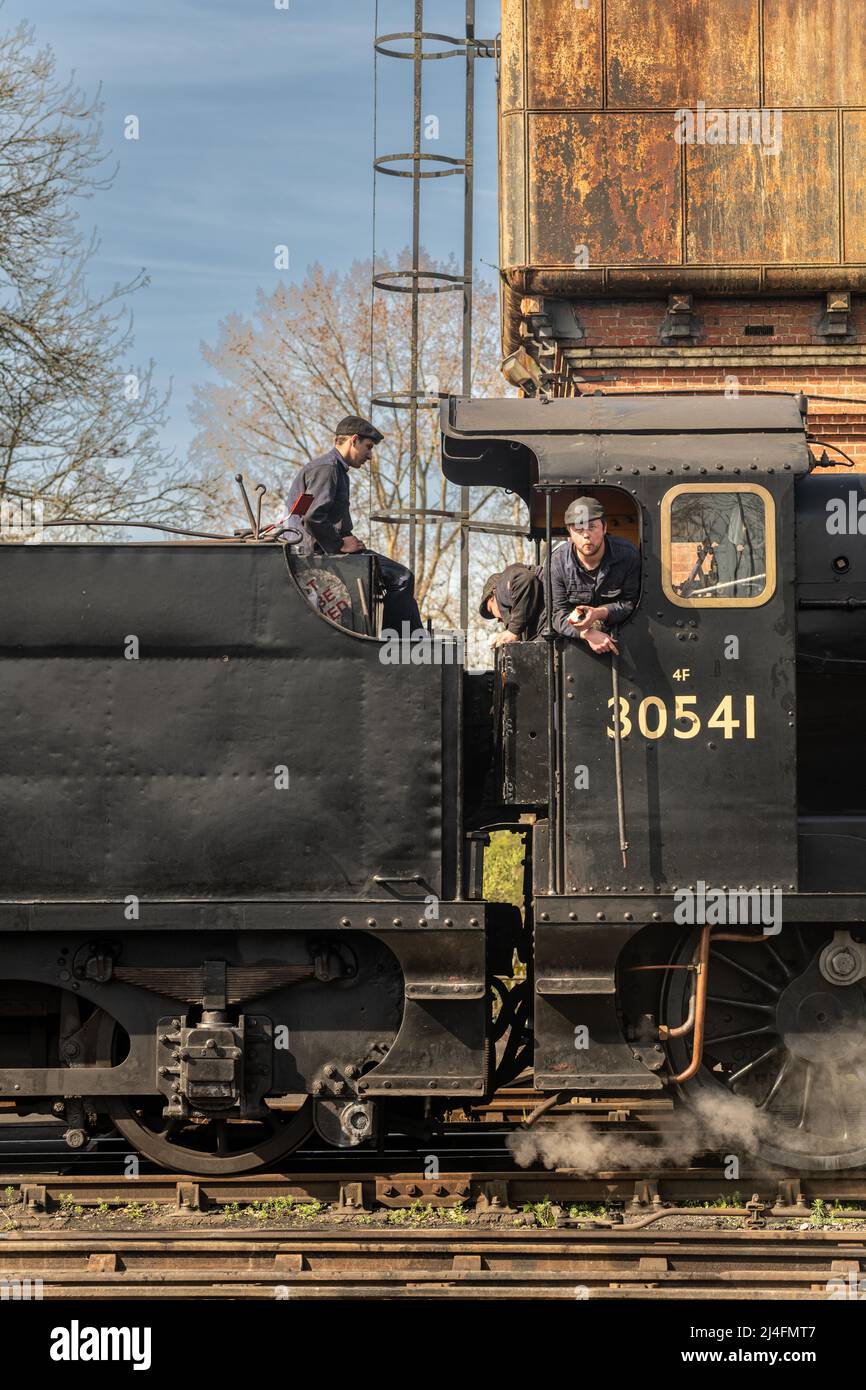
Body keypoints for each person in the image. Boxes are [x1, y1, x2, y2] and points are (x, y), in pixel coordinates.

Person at [283, 416, 422, 632]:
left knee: (402, 584)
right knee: (402, 577)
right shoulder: (327, 469)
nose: (370, 455)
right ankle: (394, 642)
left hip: (326, 548)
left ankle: (415, 638)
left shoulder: (336, 470)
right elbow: (312, 517)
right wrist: (339, 545)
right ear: (353, 440)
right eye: (368, 447)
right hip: (318, 553)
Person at [550, 496, 640, 655]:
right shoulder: (557, 563)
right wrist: (587, 633)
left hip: (624, 640)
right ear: (569, 532)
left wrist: (598, 613)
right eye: (579, 529)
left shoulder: (627, 555)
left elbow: (629, 602)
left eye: (592, 527)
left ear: (604, 528)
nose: (586, 535)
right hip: (575, 647)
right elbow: (557, 613)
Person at [478, 563, 545, 647]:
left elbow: (523, 579)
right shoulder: (523, 615)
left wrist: (513, 631)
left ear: (493, 593)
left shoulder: (500, 588)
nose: (498, 619)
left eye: (491, 610)